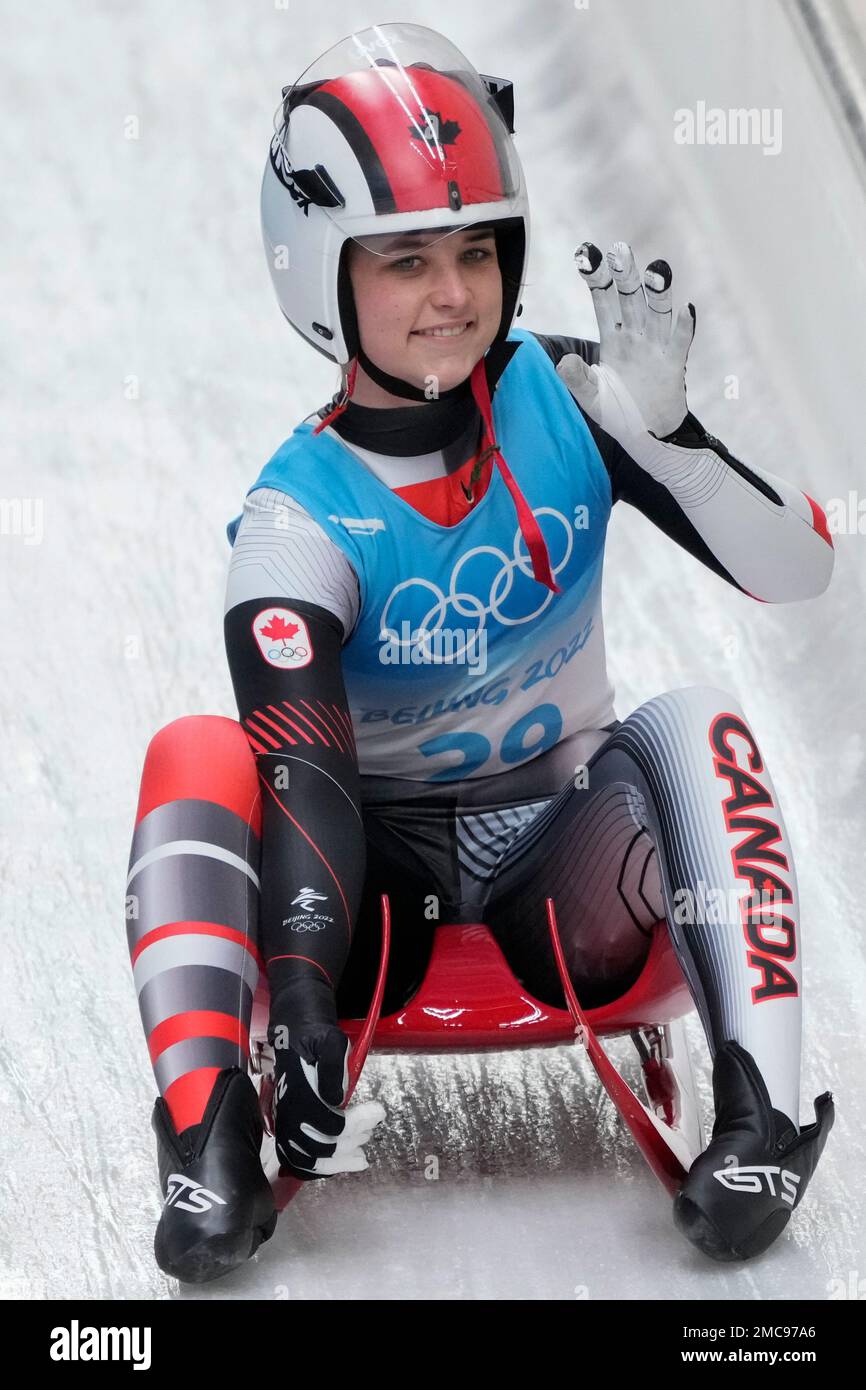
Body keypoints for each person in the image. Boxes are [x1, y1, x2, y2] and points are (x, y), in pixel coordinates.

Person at [125, 21, 835, 1283]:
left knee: (698, 717)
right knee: (196, 750)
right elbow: (307, 785)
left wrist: (668, 439)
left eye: (474, 250)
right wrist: (295, 1003)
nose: (452, 294)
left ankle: (760, 1121)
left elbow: (800, 574)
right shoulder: (293, 524)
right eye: (403, 261)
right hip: (361, 910)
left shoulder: (572, 395)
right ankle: (208, 1137)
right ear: (322, 272)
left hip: (567, 886)